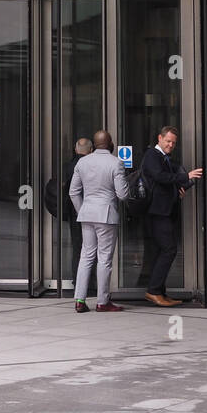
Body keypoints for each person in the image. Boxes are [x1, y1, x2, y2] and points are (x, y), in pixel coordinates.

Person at [141, 126, 202, 307]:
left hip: (162, 211)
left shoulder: (164, 157)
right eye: (168, 141)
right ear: (159, 138)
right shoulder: (153, 155)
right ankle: (153, 291)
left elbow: (164, 182)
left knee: (162, 250)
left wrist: (178, 189)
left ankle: (160, 291)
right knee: (169, 249)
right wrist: (184, 177)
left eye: (173, 143)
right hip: (157, 212)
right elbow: (160, 177)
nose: (170, 145)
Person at [69, 131, 129, 312]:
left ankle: (79, 299)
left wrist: (83, 210)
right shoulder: (116, 162)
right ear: (110, 143)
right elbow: (123, 194)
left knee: (86, 256)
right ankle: (102, 302)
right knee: (104, 259)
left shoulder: (82, 162)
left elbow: (73, 192)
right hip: (106, 216)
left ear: (94, 145)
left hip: (87, 214)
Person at [45, 136, 92, 286]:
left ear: (75, 149)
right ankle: (92, 281)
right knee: (93, 247)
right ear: (91, 151)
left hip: (74, 211)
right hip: (92, 210)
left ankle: (78, 281)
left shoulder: (66, 167)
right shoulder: (91, 165)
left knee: (78, 247)